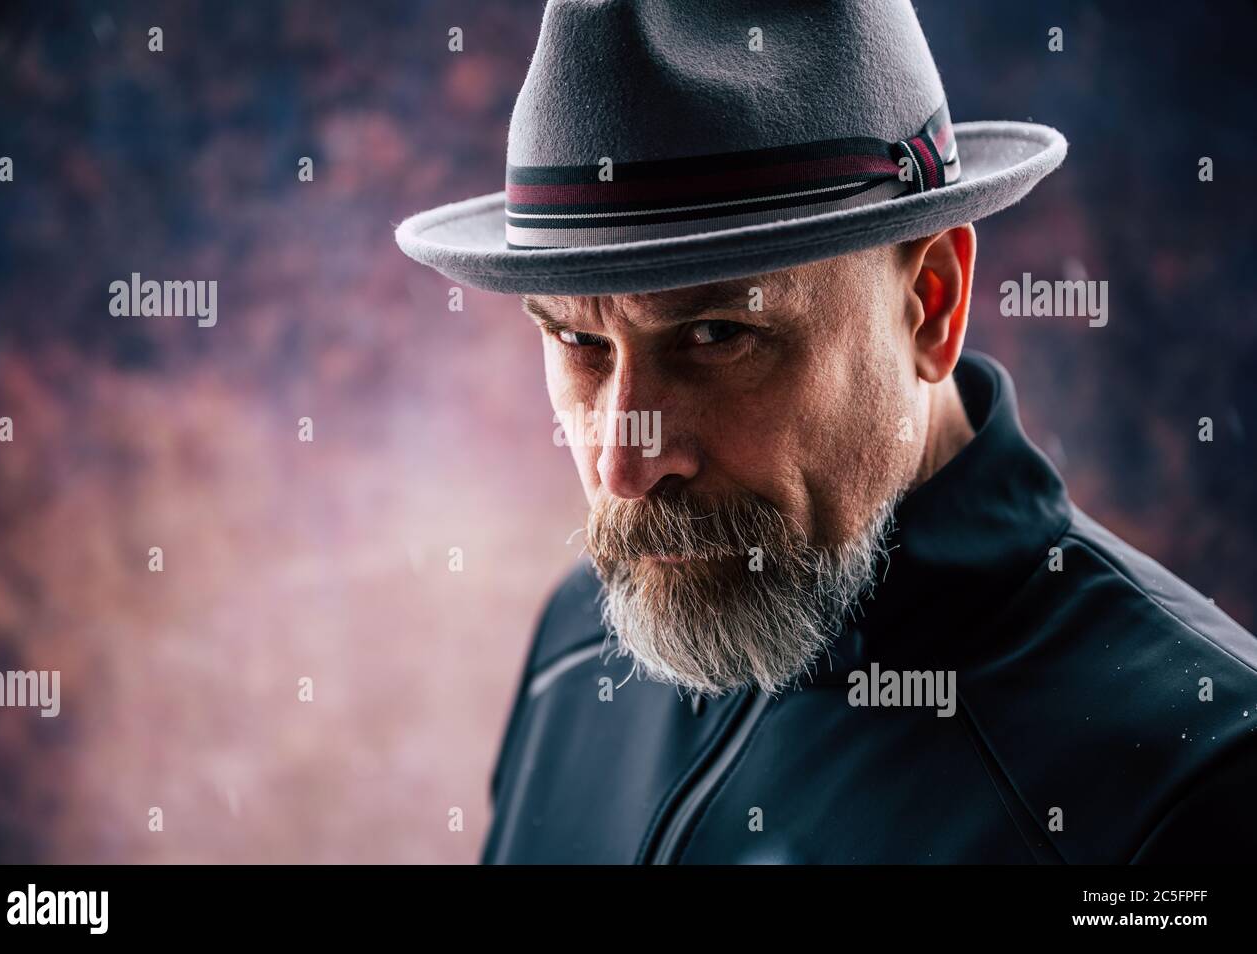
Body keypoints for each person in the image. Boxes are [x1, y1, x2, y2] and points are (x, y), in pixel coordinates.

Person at [396, 0, 1257, 863]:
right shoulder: (577, 644)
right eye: (578, 340)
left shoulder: (1200, 783)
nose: (623, 467)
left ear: (930, 305)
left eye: (716, 335)